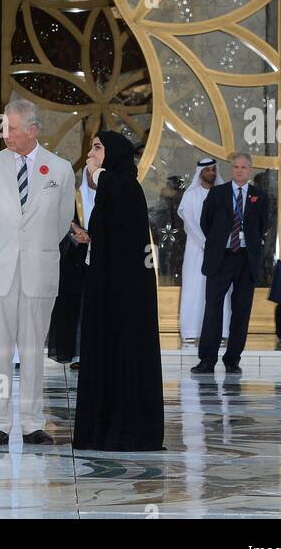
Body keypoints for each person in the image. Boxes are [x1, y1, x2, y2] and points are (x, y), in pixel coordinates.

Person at [0, 96, 74, 448]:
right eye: (4, 127)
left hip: (39, 270)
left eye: (13, 129)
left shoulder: (60, 169)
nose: (6, 134)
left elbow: (62, 221)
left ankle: (33, 423)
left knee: (33, 350)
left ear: (33, 130)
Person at [73, 131, 164, 451]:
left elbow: (109, 183)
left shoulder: (125, 186)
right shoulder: (113, 192)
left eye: (97, 148)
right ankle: (102, 430)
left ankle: (124, 430)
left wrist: (96, 171)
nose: (89, 154)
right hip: (107, 292)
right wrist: (88, 240)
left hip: (125, 300)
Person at [192, 153, 269, 375]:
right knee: (212, 309)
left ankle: (233, 358)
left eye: (244, 167)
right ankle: (207, 359)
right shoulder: (217, 193)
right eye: (235, 167)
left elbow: (263, 225)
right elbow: (205, 221)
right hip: (221, 258)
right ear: (231, 169)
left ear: (250, 170)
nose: (239, 170)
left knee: (241, 311)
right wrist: (219, 242)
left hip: (246, 259)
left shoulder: (259, 196)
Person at [47, 156, 98, 366]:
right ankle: (78, 354)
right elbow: (61, 219)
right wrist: (76, 234)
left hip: (102, 262)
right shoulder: (75, 198)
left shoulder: (110, 197)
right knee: (77, 309)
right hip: (77, 262)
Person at [177, 157, 231, 344]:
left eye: (214, 170)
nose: (212, 173)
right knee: (195, 287)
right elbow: (190, 224)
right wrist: (207, 243)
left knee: (219, 289)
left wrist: (217, 244)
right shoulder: (191, 195)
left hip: (219, 250)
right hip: (196, 251)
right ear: (200, 172)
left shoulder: (223, 194)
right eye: (208, 170)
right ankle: (191, 330)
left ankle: (221, 331)